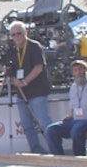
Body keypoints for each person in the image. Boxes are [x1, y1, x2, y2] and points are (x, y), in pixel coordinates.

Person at [6, 20, 52, 153]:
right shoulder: (14, 50)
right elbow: (13, 69)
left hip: (37, 91)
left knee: (44, 123)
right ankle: (36, 150)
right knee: (26, 126)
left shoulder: (34, 46)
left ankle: (55, 150)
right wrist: (12, 76)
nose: (16, 37)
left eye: (19, 33)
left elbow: (39, 67)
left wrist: (25, 81)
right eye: (13, 34)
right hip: (21, 92)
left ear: (25, 32)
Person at [46, 61, 87, 156]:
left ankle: (79, 158)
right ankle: (58, 158)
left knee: (76, 130)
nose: (78, 72)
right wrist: (71, 116)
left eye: (80, 69)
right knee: (51, 129)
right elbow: (75, 107)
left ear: (86, 70)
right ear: (73, 73)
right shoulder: (74, 86)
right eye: (75, 70)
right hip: (76, 120)